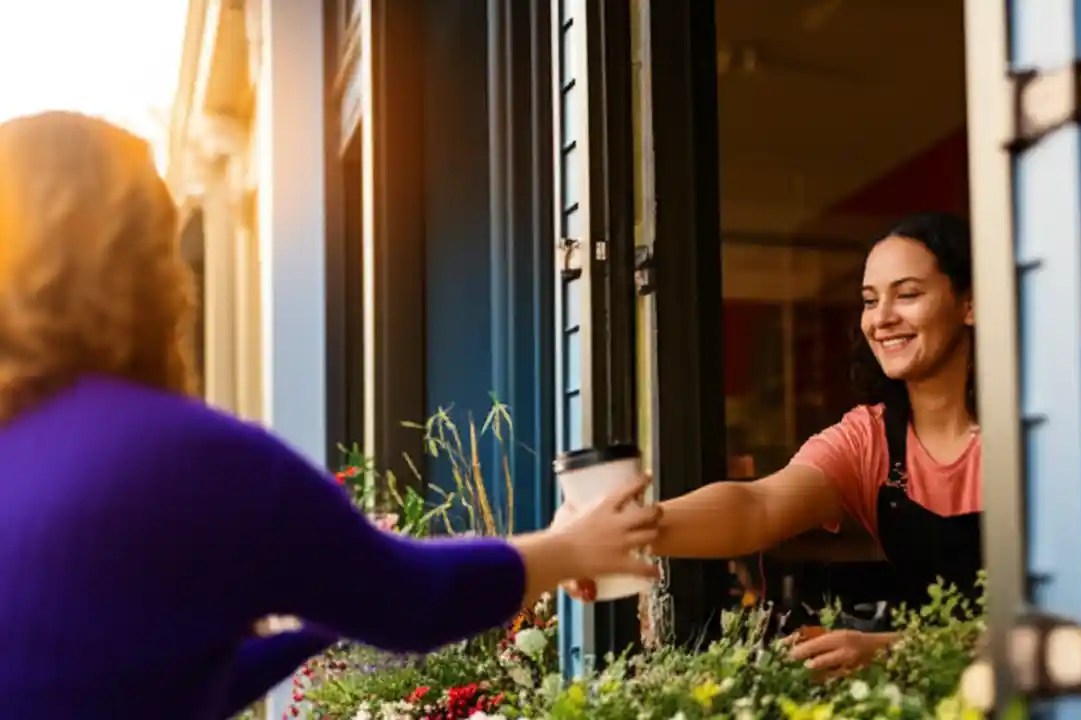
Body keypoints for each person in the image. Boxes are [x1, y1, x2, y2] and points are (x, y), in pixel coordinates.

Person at [0, 111, 661, 719]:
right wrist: (568, 547)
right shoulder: (187, 456)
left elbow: (150, 681)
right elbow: (414, 600)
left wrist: (320, 619)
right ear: (145, 265)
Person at [558, 212, 982, 676]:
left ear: (970, 303)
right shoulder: (870, 439)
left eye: (908, 294)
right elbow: (755, 506)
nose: (881, 318)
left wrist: (894, 648)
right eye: (869, 300)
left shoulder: (1031, 435)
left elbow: (1066, 612)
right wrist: (629, 527)